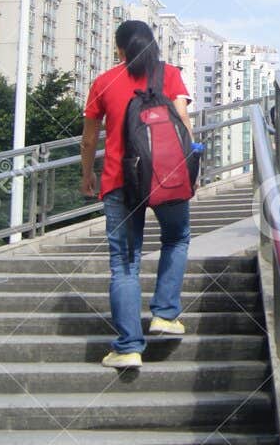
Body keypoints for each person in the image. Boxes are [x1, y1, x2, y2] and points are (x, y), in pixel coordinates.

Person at [81, 20, 195, 369]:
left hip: (119, 182)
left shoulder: (103, 82)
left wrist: (87, 174)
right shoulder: (170, 74)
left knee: (124, 266)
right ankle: (164, 314)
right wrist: (187, 172)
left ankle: (129, 347)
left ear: (120, 48)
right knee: (175, 239)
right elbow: (184, 122)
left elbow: (88, 139)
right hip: (168, 177)